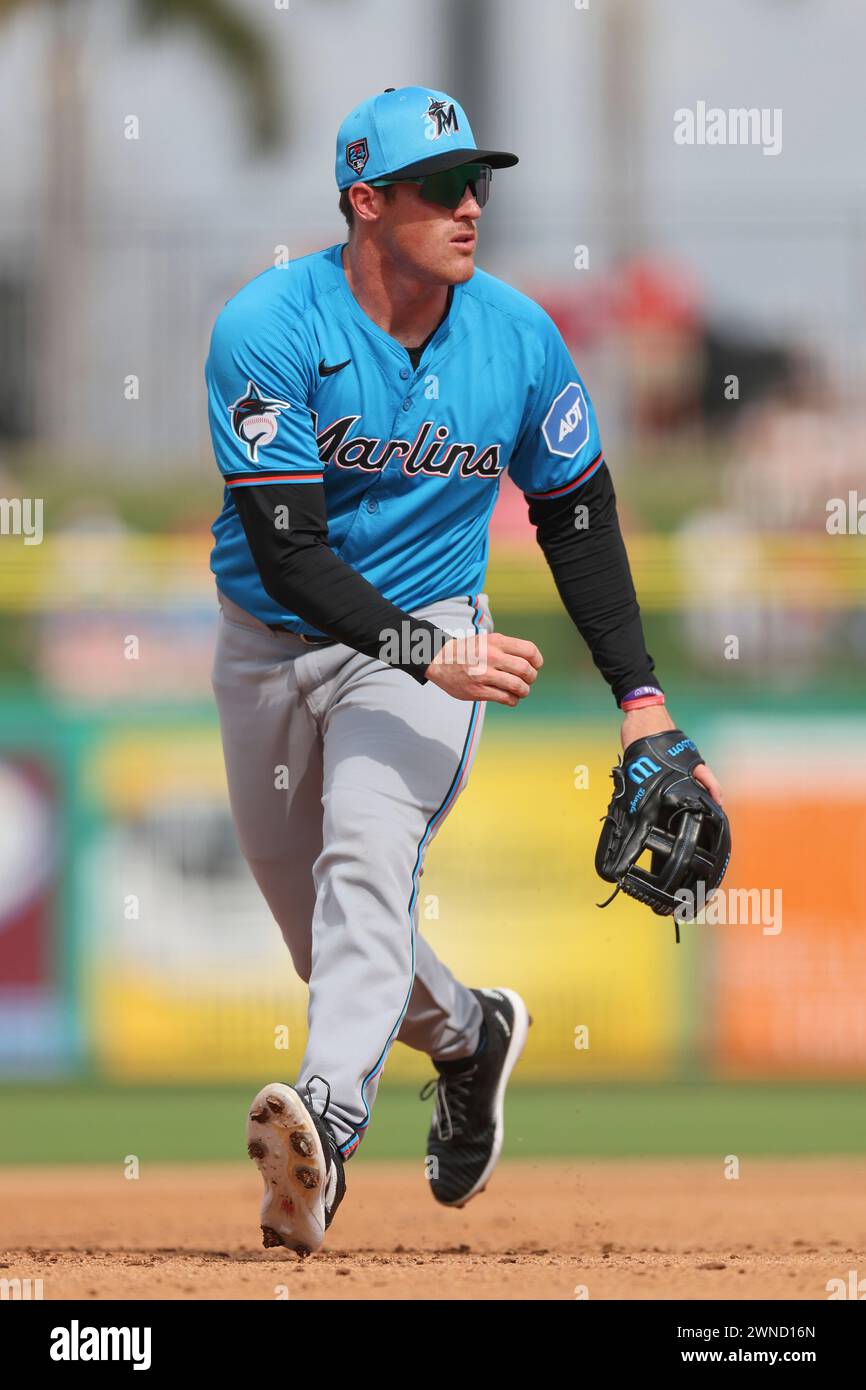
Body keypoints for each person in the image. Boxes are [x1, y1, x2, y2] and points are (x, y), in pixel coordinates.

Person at [205, 85, 723, 1257]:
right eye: (438, 185)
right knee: (322, 927)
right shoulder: (268, 327)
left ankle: (328, 1120)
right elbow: (290, 556)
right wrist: (415, 648)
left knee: (364, 861)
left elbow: (577, 517)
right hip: (272, 639)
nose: (468, 204)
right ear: (364, 201)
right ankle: (469, 1033)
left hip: (433, 635)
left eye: (476, 180)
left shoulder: (518, 337)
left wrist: (641, 701)